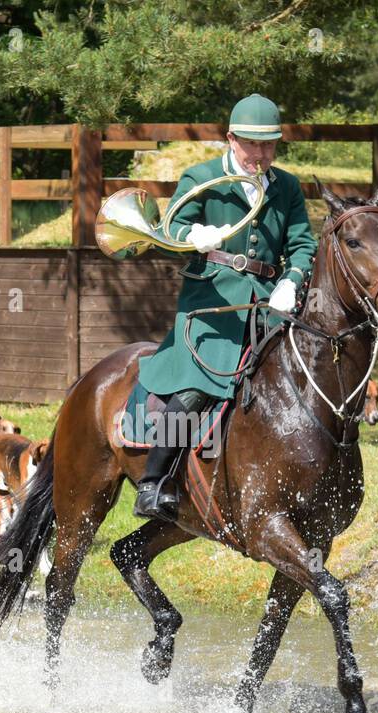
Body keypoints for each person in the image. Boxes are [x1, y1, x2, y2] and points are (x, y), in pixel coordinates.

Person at [133, 93, 317, 520]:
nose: (261, 154)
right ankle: (154, 482)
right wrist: (193, 235)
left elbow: (303, 243)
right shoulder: (199, 176)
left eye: (269, 145)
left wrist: (292, 280)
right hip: (211, 303)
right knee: (199, 385)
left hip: (270, 302)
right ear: (231, 139)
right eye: (252, 145)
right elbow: (172, 226)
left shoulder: (286, 186)